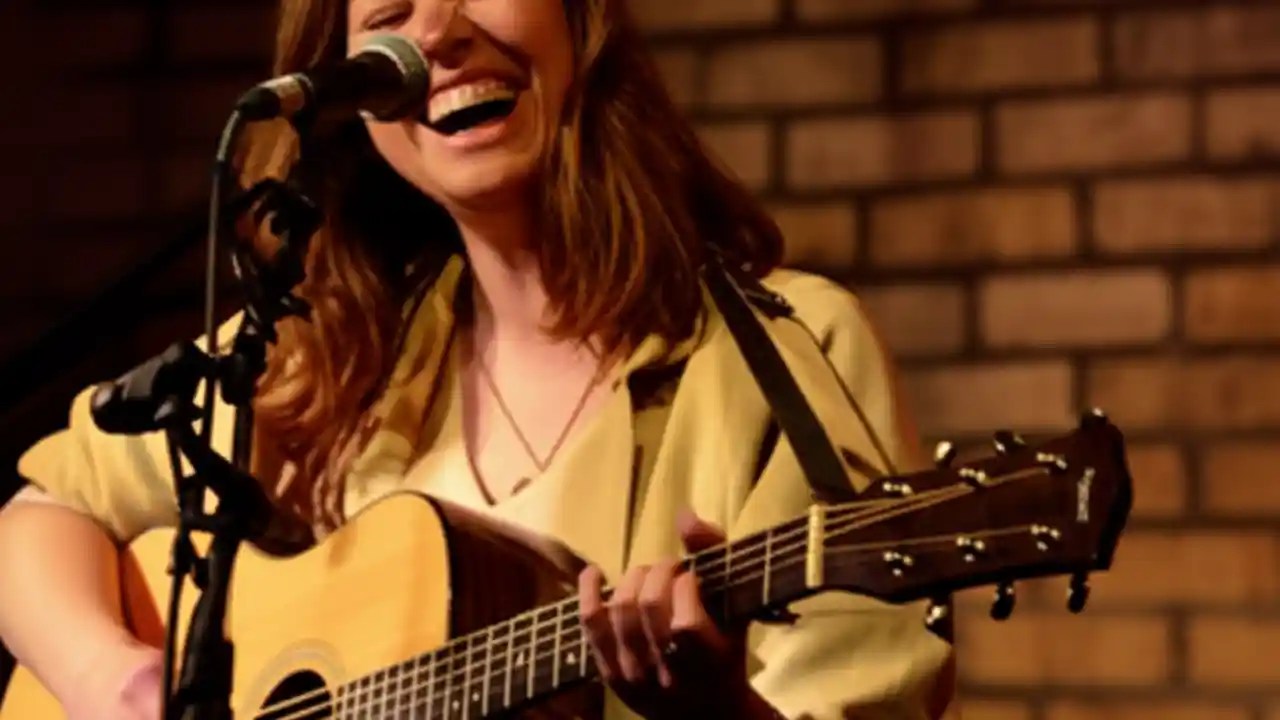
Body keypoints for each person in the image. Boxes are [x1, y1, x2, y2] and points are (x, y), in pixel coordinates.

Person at [0, 0, 957, 718]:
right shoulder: (319, 357)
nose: (439, 34)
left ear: (578, 18)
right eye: (389, 17)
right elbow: (39, 516)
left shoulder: (785, 355)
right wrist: (117, 684)